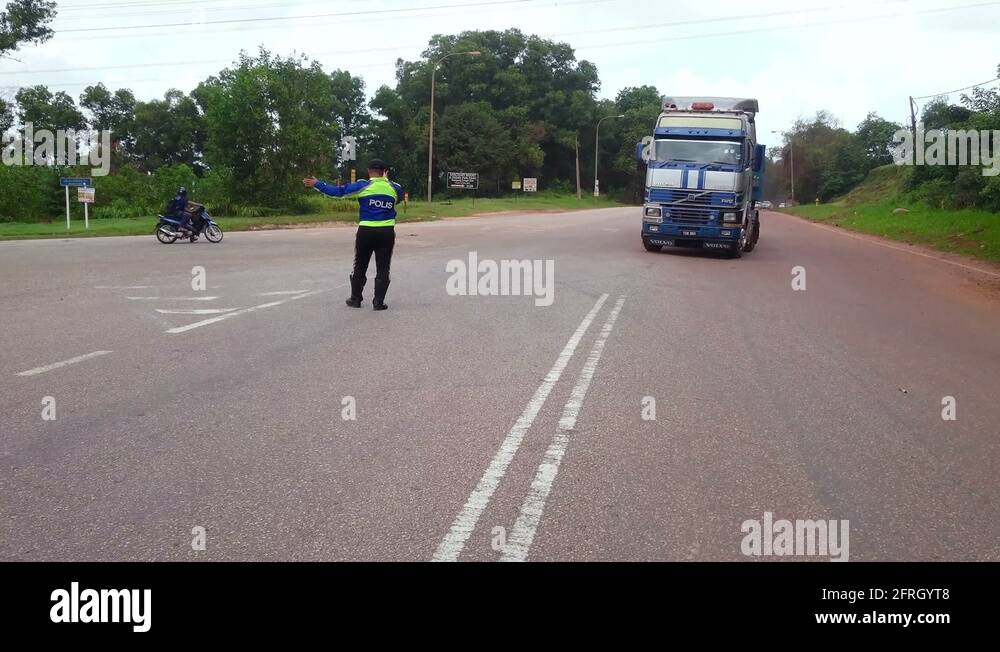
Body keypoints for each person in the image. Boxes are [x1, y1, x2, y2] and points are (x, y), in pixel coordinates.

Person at [303, 159, 403, 311]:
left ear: (369, 171)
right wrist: (386, 180)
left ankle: (355, 299)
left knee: (360, 264)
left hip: (366, 231)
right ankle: (378, 302)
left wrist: (318, 184)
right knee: (383, 267)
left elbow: (338, 192)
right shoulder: (394, 188)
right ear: (384, 171)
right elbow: (400, 198)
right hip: (386, 232)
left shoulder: (363, 185)